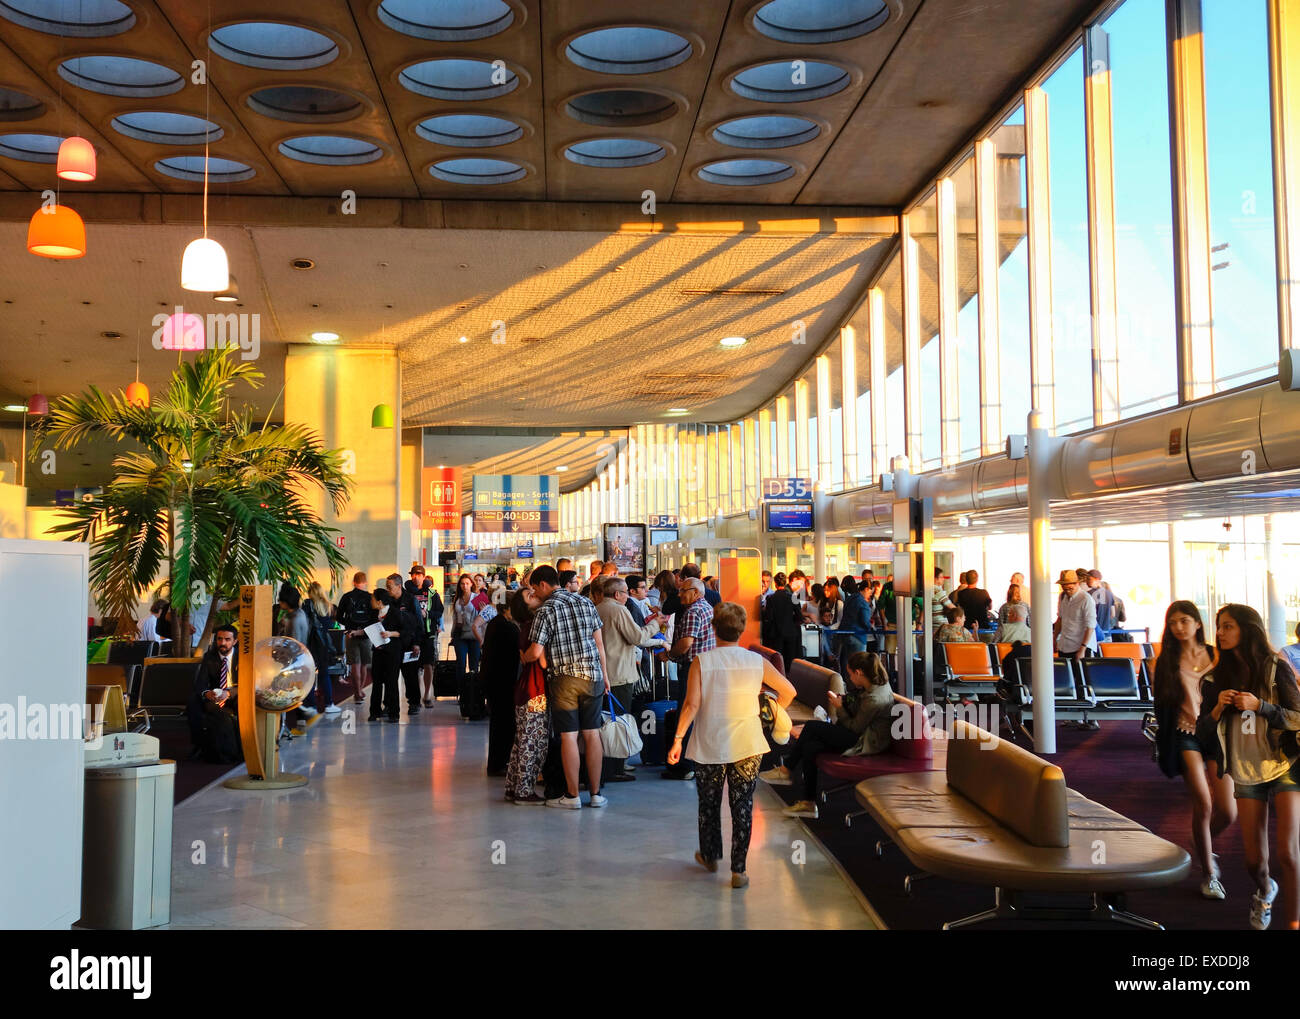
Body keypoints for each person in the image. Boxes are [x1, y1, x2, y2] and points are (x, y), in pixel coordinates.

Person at [669, 602, 796, 888]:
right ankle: (739, 870)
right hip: (748, 743)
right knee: (742, 805)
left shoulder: (703, 661)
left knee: (709, 804)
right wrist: (771, 710)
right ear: (741, 630)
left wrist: (677, 739)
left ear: (713, 629)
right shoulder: (756, 662)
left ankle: (711, 855)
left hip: (708, 744)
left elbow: (691, 705)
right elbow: (789, 691)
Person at [1203, 603, 1300, 930]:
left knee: (1288, 854)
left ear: (1247, 628)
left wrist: (1263, 707)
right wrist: (1217, 708)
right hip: (1246, 769)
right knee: (1255, 862)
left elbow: (1297, 717)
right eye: (1219, 626)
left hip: (1285, 763)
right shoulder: (1216, 676)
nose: (1220, 633)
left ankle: (1294, 923)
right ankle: (1265, 890)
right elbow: (1202, 730)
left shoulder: (1276, 667)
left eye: (1228, 626)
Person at [1151, 600, 1233, 900]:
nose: (1178, 627)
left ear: (1198, 623)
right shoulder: (1165, 662)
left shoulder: (1216, 654)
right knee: (1204, 802)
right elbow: (1162, 708)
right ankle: (1209, 873)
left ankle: (1202, 841)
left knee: (1228, 811)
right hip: (1185, 734)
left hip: (1217, 734)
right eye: (1173, 622)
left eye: (1184, 620)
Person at [763, 651, 894, 818]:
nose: (850, 678)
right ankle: (808, 803)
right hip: (862, 735)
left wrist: (839, 707)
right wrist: (845, 700)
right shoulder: (875, 685)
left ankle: (786, 769)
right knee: (811, 747)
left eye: (851, 674)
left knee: (811, 727)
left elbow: (854, 728)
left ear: (859, 673)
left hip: (865, 741)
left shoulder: (875, 698)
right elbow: (858, 712)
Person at [522, 565, 609, 809]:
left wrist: (523, 656)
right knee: (592, 734)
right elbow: (599, 643)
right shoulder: (585, 602)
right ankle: (595, 794)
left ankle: (572, 797)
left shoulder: (546, 610)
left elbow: (535, 652)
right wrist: (606, 675)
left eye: (534, 589)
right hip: (593, 675)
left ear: (542, 585)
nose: (534, 594)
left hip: (564, 679)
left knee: (569, 736)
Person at [597, 576, 661, 782]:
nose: (627, 597)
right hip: (620, 675)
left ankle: (604, 766)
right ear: (617, 594)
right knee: (620, 721)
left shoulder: (597, 608)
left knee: (604, 721)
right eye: (625, 593)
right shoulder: (618, 610)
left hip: (602, 674)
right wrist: (656, 625)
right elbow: (637, 638)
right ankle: (616, 768)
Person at [505, 589, 548, 804]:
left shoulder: (523, 627)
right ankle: (524, 790)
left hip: (525, 689)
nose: (535, 594)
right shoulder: (534, 625)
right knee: (534, 742)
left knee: (521, 740)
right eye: (530, 595)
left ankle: (513, 786)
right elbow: (542, 661)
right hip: (536, 690)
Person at [480, 594, 520, 777]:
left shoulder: (496, 623)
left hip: (494, 681)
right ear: (508, 608)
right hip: (502, 683)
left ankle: (497, 763)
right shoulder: (507, 628)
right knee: (503, 724)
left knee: (499, 723)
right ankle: (499, 764)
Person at [187, 624, 241, 760]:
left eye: (227, 639)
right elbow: (200, 683)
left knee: (243, 702)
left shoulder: (243, 657)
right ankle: (200, 745)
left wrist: (228, 693)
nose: (222, 643)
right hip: (215, 696)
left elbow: (248, 684)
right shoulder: (210, 656)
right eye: (219, 639)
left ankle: (238, 747)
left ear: (235, 641)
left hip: (235, 695)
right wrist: (207, 693)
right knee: (194, 701)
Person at [369, 588, 415, 723]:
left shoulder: (395, 613)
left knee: (391, 681)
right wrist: (357, 632)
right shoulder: (374, 614)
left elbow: (405, 631)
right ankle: (374, 711)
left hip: (392, 651)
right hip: (378, 650)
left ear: (379, 602)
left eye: (373, 599)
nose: (370, 601)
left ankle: (394, 713)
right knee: (376, 682)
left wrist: (390, 634)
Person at [405, 564, 444, 708]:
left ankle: (427, 694)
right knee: (414, 666)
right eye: (413, 574)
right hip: (412, 634)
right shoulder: (407, 594)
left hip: (428, 633)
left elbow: (439, 611)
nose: (416, 577)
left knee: (428, 664)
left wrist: (427, 614)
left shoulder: (433, 594)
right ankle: (417, 693)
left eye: (419, 574)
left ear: (423, 576)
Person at [337, 572, 376, 706]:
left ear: (354, 582)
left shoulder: (347, 597)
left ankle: (357, 692)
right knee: (364, 664)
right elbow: (374, 617)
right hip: (365, 634)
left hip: (350, 634)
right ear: (365, 582)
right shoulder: (370, 597)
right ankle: (361, 690)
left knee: (355, 664)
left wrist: (348, 626)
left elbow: (338, 616)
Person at [304, 581, 341, 715]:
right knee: (324, 674)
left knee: (309, 674)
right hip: (323, 644)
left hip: (310, 643)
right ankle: (328, 703)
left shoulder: (307, 605)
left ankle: (311, 705)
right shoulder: (328, 606)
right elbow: (330, 625)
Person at [763, 572, 803, 673]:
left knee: (778, 663)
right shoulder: (793, 597)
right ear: (785, 583)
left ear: (775, 584)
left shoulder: (771, 598)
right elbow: (799, 616)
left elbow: (769, 617)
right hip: (791, 633)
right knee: (790, 661)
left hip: (776, 634)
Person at [1054, 570, 1098, 659]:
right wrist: (1054, 638)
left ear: (1077, 584)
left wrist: (1083, 648)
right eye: (1065, 589)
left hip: (1079, 647)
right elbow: (1060, 619)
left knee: (1079, 673)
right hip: (1065, 645)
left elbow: (1090, 626)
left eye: (1070, 588)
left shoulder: (1086, 599)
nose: (1068, 591)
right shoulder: (1064, 597)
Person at [450, 574, 481, 683]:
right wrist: (452, 634)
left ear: (471, 584)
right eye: (462, 584)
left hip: (474, 635)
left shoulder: (477, 597)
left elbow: (488, 613)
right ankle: (462, 691)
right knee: (460, 664)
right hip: (460, 635)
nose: (465, 586)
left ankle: (473, 692)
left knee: (474, 665)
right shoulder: (457, 598)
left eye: (467, 583)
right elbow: (455, 617)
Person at [955, 570, 992, 635]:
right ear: (977, 579)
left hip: (967, 627)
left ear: (966, 580)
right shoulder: (984, 593)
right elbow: (990, 607)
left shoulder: (961, 594)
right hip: (983, 627)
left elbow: (959, 609)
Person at [1086, 569, 1118, 642]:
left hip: (1094, 635)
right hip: (1107, 634)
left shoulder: (1088, 595)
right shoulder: (1109, 594)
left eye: (1089, 579)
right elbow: (1113, 614)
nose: (1086, 581)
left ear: (1097, 579)